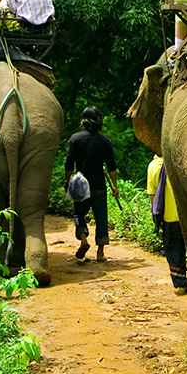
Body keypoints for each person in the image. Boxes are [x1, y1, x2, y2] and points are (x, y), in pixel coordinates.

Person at [65, 106, 121, 263]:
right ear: (99, 122)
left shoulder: (75, 139)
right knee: (101, 217)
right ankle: (100, 253)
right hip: (99, 186)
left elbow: (69, 163)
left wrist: (67, 180)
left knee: (78, 213)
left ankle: (83, 240)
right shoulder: (105, 141)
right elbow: (111, 166)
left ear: (83, 121)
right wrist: (115, 187)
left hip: (80, 186)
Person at [146, 154, 187, 295]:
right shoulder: (181, 160)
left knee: (173, 247)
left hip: (169, 216)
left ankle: (181, 283)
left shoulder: (153, 166)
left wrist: (156, 216)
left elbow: (152, 195)